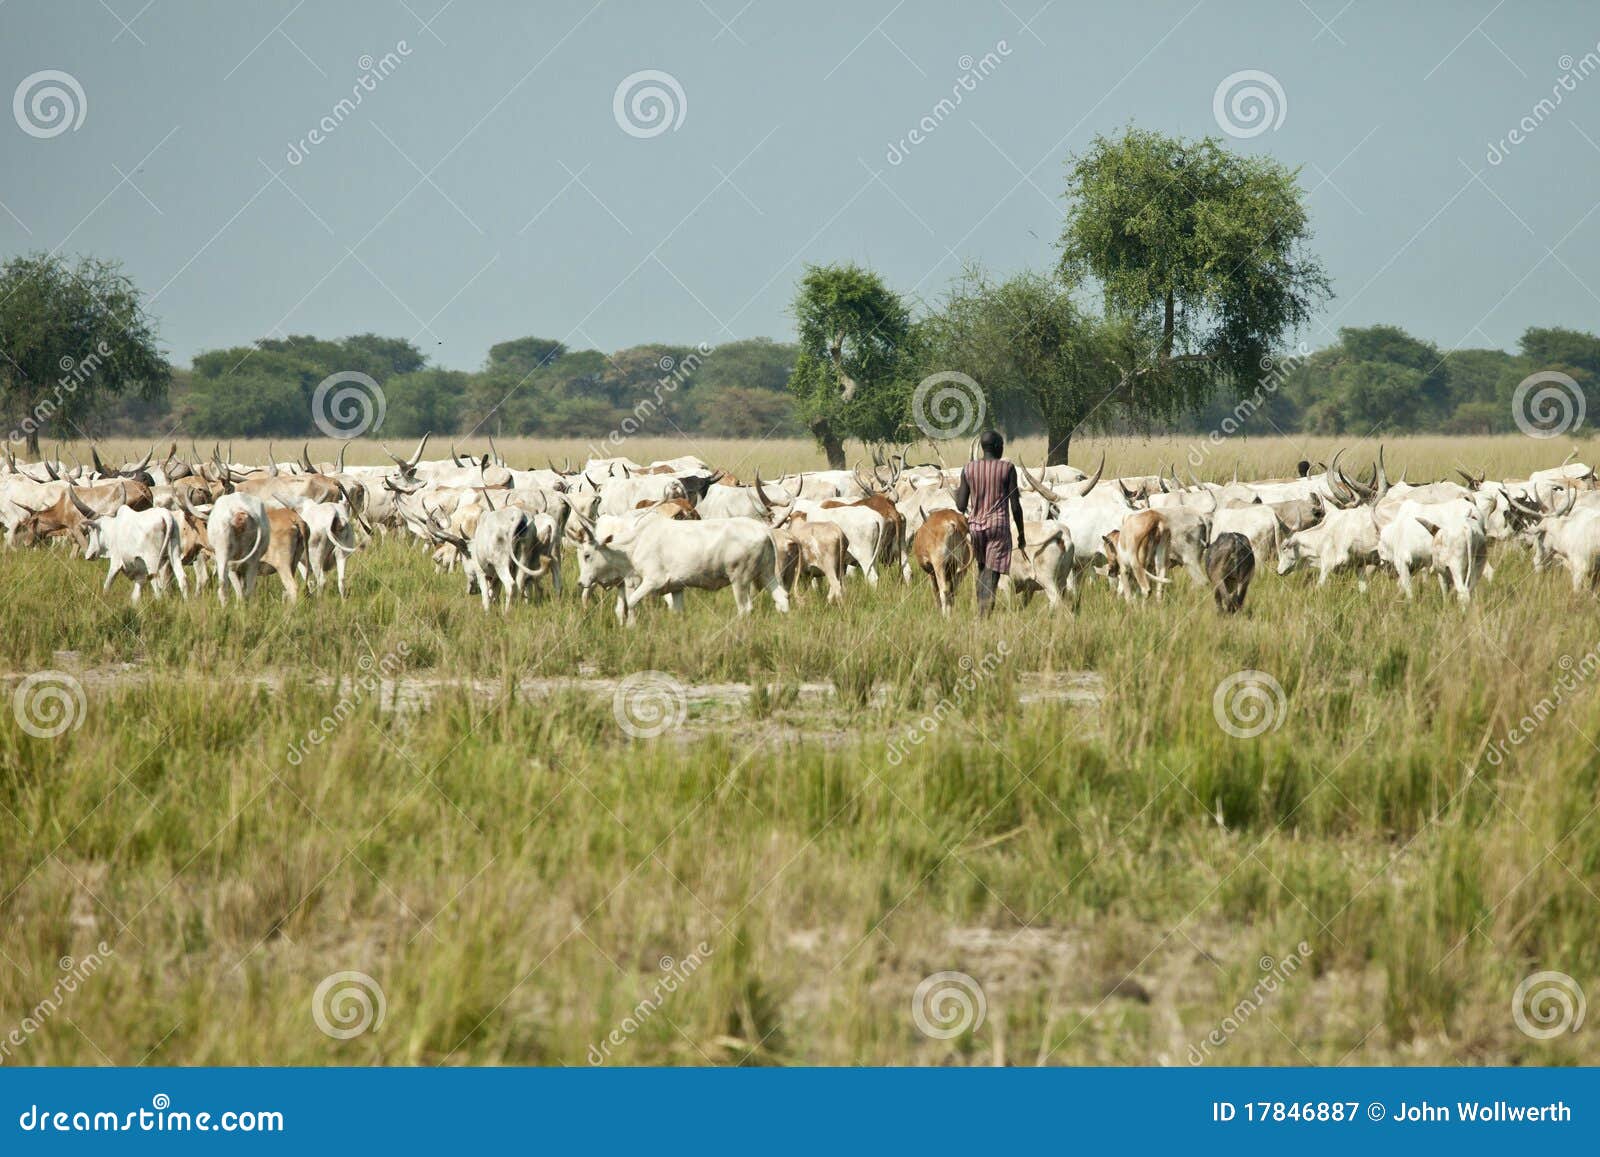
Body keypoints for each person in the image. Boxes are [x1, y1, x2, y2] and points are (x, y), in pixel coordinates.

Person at [954, 429, 1025, 617]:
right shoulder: (1007, 469)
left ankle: (981, 611)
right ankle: (983, 615)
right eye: (1001, 445)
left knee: (982, 568)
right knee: (992, 573)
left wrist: (956, 493)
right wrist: (1021, 534)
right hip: (998, 527)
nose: (1002, 448)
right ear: (996, 447)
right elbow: (1015, 505)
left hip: (976, 528)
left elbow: (961, 506)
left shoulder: (968, 469)